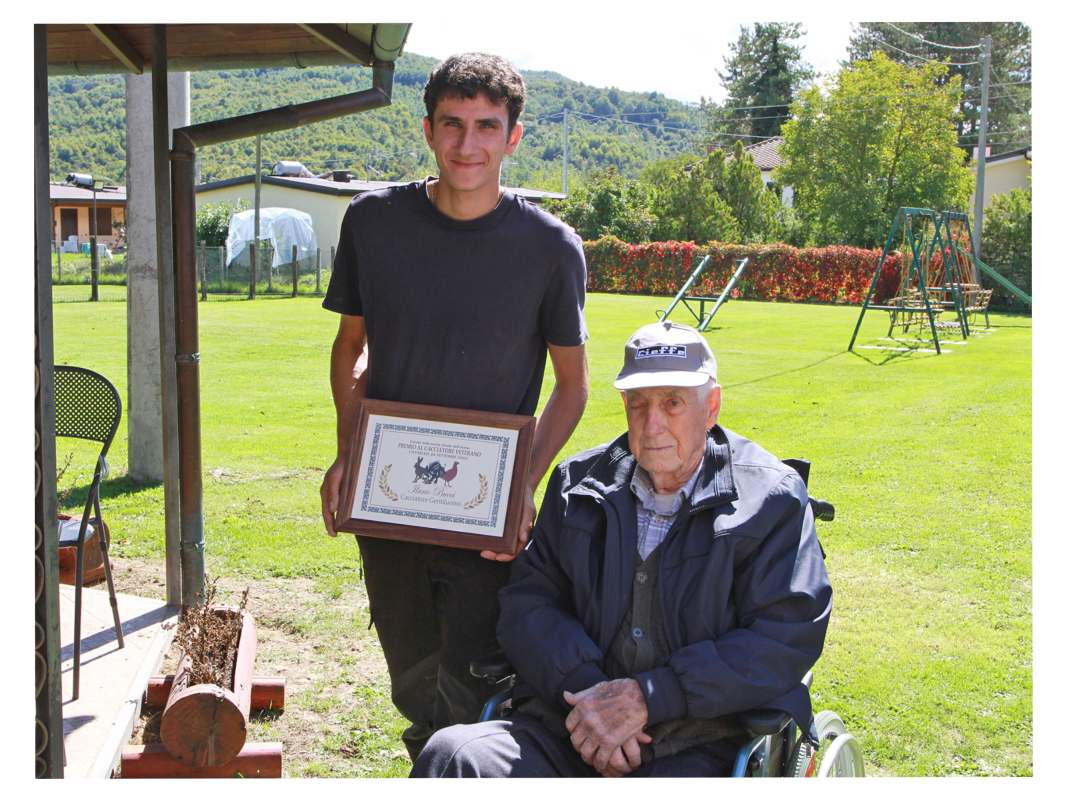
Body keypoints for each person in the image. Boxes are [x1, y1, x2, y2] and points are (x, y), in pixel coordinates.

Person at [411, 321, 832, 779]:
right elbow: (530, 603)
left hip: (699, 744)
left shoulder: (770, 500)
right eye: (639, 404)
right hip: (569, 723)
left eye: (673, 403)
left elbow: (784, 635)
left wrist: (651, 696)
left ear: (711, 406)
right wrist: (592, 699)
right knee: (453, 756)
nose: (653, 426)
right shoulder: (578, 485)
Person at [319, 53, 590, 760]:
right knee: (410, 675)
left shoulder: (551, 248)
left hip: (482, 516)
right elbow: (349, 350)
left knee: (475, 682)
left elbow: (573, 385)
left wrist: (522, 485)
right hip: (389, 506)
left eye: (486, 127)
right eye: (452, 124)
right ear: (428, 129)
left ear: (513, 138)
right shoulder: (373, 222)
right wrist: (349, 454)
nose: (467, 145)